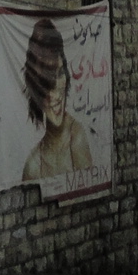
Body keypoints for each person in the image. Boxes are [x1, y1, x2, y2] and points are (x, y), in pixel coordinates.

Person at [20, 18, 93, 182]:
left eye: (60, 73)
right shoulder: (33, 165)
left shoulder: (77, 137)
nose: (54, 94)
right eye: (46, 83)